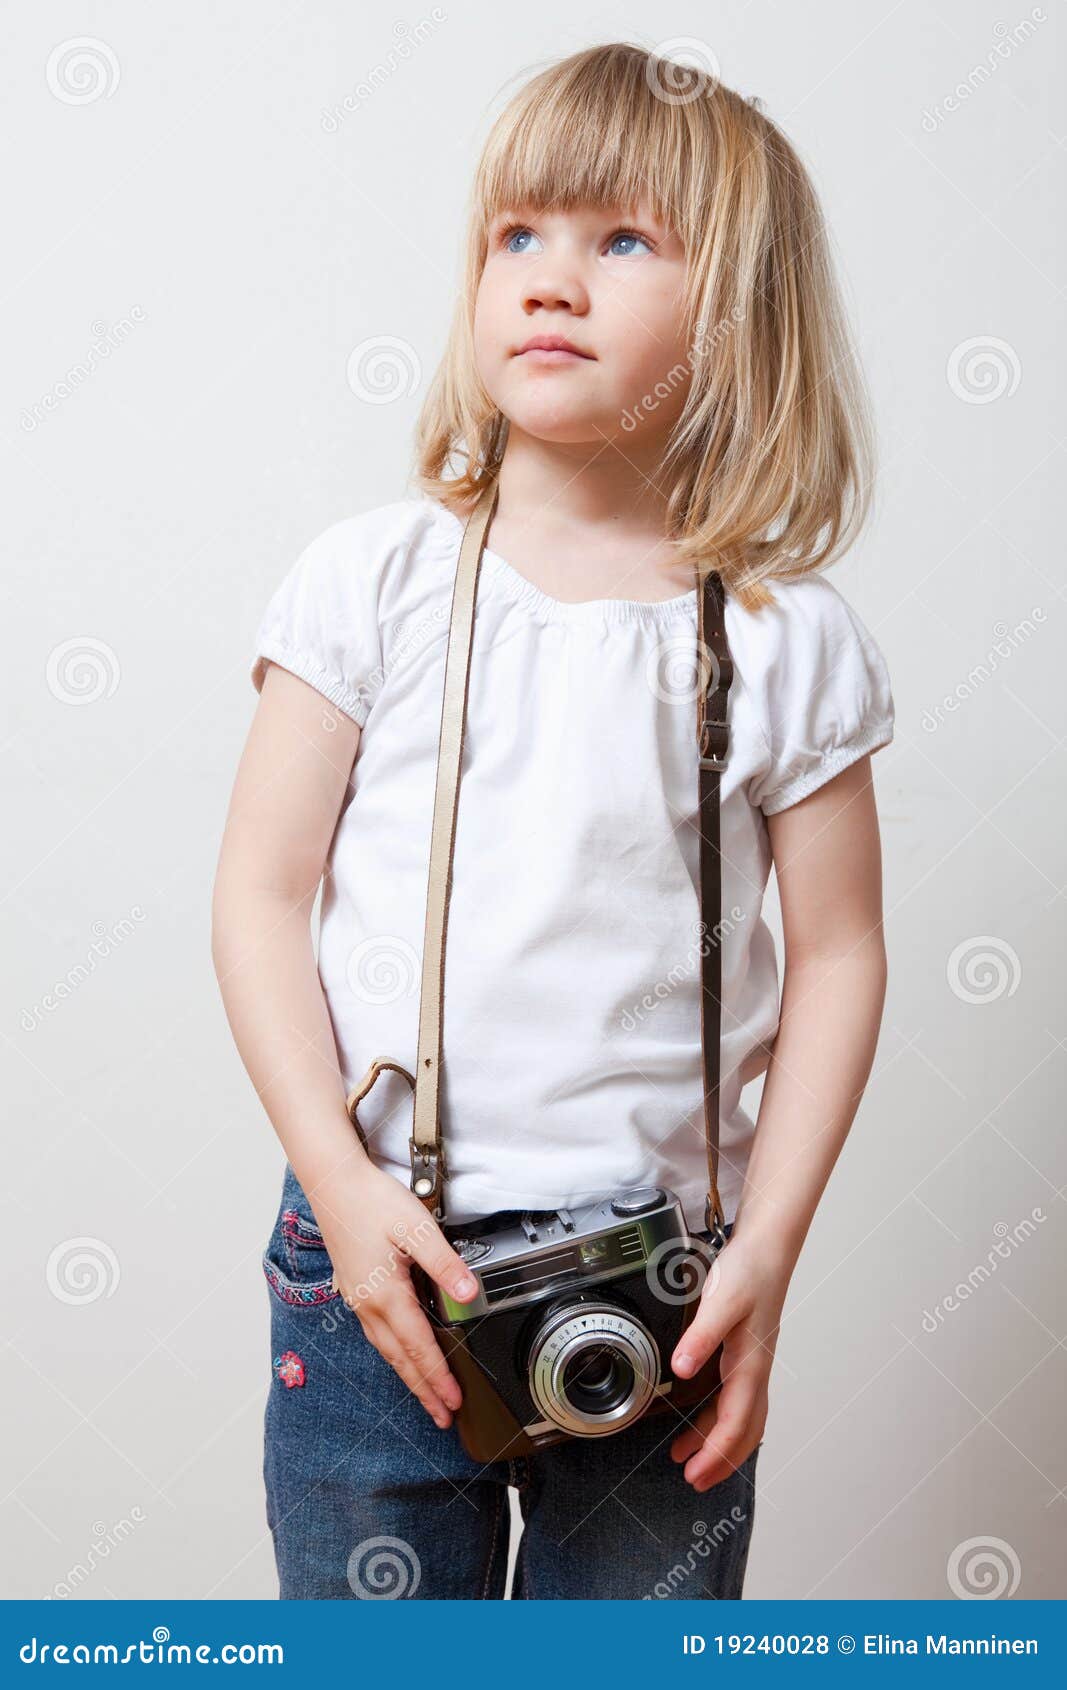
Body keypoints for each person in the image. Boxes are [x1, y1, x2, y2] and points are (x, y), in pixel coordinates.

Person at [211, 42, 895, 1600]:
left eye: (623, 239)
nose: (550, 279)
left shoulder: (785, 639)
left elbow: (842, 954)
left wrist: (767, 1249)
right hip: (384, 1262)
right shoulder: (371, 585)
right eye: (517, 233)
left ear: (738, 313)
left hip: (663, 1288)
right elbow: (257, 897)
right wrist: (339, 1185)